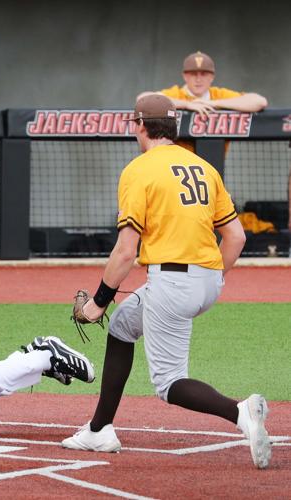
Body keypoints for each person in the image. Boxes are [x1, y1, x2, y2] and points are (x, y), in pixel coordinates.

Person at [61, 94, 271, 470]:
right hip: (208, 279)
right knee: (123, 327)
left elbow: (126, 252)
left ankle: (241, 412)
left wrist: (99, 301)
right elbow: (236, 237)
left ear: (140, 125)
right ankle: (99, 429)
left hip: (172, 283)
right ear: (173, 127)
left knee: (170, 384)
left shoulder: (139, 170)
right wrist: (209, 279)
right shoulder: (202, 166)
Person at [137, 51, 267, 150]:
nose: (198, 79)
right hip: (176, 169)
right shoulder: (176, 94)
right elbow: (142, 99)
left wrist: (214, 103)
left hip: (212, 168)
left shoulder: (218, 95)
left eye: (204, 74)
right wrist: (187, 105)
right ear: (185, 76)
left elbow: (259, 101)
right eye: (193, 74)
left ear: (212, 77)